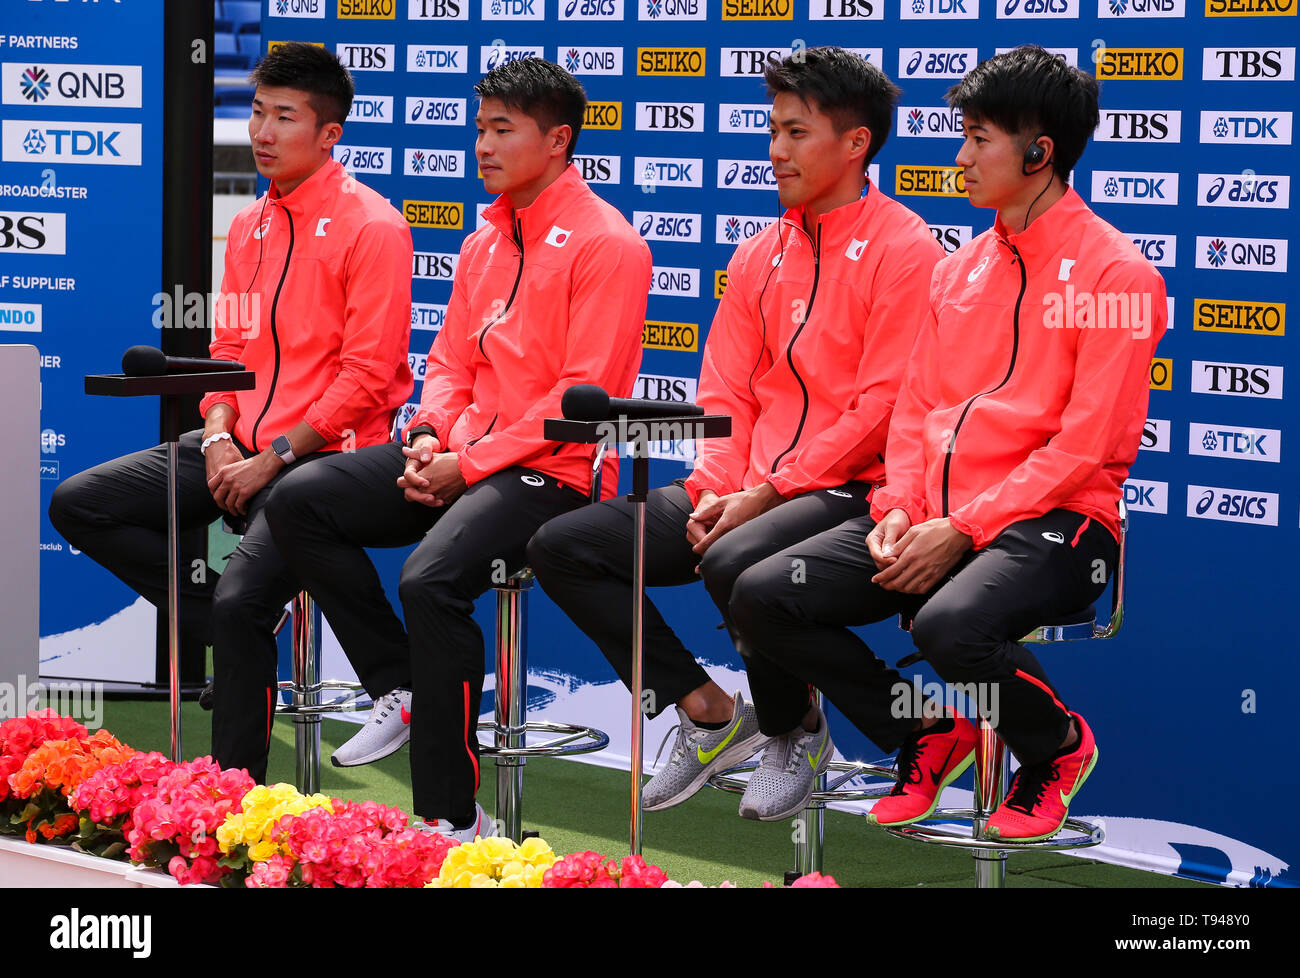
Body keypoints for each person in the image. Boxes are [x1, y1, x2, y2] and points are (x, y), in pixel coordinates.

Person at [727, 45, 1168, 841]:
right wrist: (898, 508)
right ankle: (923, 733)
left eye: (978, 140)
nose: (958, 158)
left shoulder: (1120, 277)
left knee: (947, 623)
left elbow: (1085, 444)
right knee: (762, 592)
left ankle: (1055, 749)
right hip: (936, 515)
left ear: (1039, 153)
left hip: (1063, 522)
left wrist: (963, 526)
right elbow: (916, 411)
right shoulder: (956, 271)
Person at [528, 47, 942, 822]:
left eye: (795, 131)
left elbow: (881, 409)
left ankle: (797, 728)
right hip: (746, 484)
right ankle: (707, 710)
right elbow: (724, 392)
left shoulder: (906, 249)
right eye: (771, 129)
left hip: (852, 492)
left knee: (736, 560)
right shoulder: (759, 252)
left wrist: (766, 492)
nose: (774, 150)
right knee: (564, 545)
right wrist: (722, 483)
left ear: (856, 144)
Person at [265, 58, 652, 841]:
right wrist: (429, 435)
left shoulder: (609, 245)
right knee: (301, 496)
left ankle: (449, 815)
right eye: (479, 129)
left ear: (558, 141)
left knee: (430, 579)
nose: (483, 145)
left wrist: (465, 463)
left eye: (502, 130)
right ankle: (398, 685)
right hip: (461, 458)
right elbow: (448, 364)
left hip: (552, 475)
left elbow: (576, 401)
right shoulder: (485, 240)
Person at [48, 42, 415, 782]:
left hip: (322, 459)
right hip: (234, 442)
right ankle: (216, 606)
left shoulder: (371, 226)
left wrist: (273, 456)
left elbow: (369, 378)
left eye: (284, 116)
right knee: (80, 503)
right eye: (256, 112)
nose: (262, 131)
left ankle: (232, 791)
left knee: (245, 603)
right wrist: (217, 437)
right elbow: (224, 356)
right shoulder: (249, 225)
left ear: (329, 133)